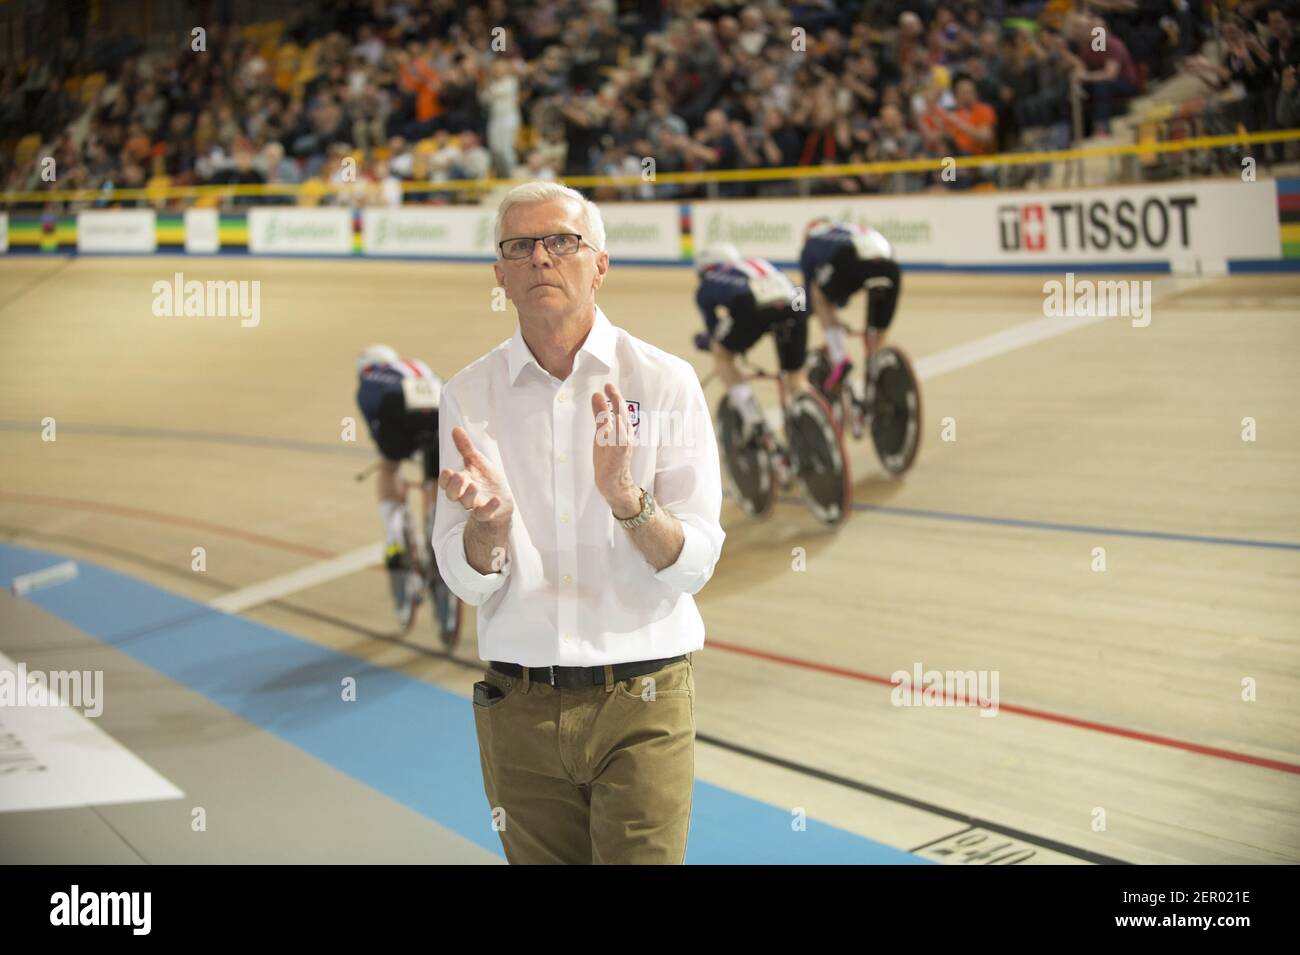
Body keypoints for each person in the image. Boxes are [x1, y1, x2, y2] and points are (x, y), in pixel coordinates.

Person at [431, 181, 724, 865]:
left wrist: (627, 497)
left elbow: (696, 560)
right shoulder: (467, 395)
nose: (541, 258)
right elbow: (462, 574)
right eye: (520, 246)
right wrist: (489, 529)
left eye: (561, 241)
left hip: (642, 699)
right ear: (500, 274)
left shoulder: (666, 382)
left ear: (599, 262)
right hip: (519, 706)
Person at [354, 344, 444, 627]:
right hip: (440, 402)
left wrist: (394, 455)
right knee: (436, 474)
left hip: (395, 406)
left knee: (388, 466)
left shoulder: (368, 383)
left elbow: (380, 433)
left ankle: (394, 539)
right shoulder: (416, 364)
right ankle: (435, 524)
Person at [693, 242, 811, 447]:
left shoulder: (707, 283)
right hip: (796, 299)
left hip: (750, 304)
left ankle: (752, 417)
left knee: (722, 354)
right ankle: (811, 410)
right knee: (796, 377)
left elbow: (715, 333)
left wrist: (709, 341)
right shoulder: (758, 264)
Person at [799, 218, 902, 411]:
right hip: (890, 265)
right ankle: (877, 372)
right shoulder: (850, 229)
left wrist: (804, 315)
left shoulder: (811, 244)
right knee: (878, 335)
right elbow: (842, 298)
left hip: (850, 260)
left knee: (817, 293)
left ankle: (840, 359)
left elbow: (808, 294)